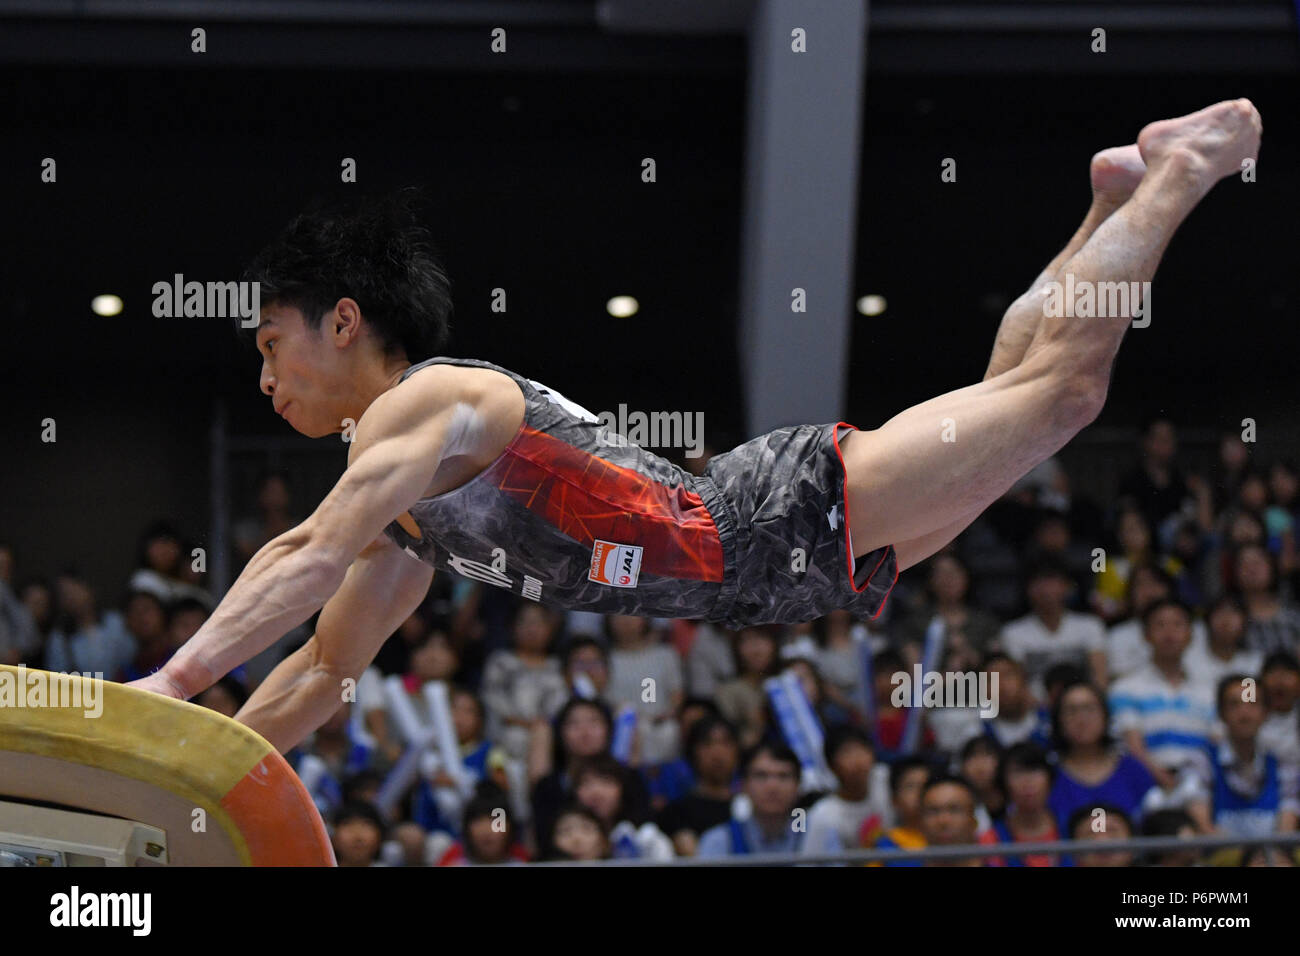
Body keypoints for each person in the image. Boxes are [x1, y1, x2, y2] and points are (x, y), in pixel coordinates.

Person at [133, 102, 1265, 764]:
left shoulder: (425, 402)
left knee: (1064, 400)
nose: (267, 371)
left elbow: (305, 552)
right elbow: (328, 664)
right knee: (1019, 389)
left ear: (344, 321)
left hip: (763, 516)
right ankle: (1109, 197)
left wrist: (171, 685)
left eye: (273, 340)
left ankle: (1180, 167)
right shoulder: (403, 513)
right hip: (783, 580)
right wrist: (206, 769)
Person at [1108, 598, 1216, 787]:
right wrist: (1168, 783)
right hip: (1144, 785)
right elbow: (1133, 748)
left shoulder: (1210, 691)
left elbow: (1216, 744)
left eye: (1177, 625)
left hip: (1201, 785)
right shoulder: (1124, 688)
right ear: (1145, 635)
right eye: (1160, 625)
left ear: (1190, 635)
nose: (1169, 633)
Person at [1183, 672, 1299, 837]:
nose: (1244, 714)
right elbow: (1204, 829)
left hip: (1271, 858)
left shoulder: (1283, 764)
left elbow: (1285, 833)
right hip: (1219, 858)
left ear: (1266, 713)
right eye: (1234, 705)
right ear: (1221, 713)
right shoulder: (1200, 762)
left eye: (1252, 704)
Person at [1048, 680, 1157, 832]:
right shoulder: (1047, 774)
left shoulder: (1133, 770)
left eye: (1089, 709)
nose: (1081, 719)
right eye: (1071, 711)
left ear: (1106, 716)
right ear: (1058, 720)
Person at [656, 714, 741, 856]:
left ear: (737, 751)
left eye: (726, 743)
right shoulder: (676, 812)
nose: (717, 753)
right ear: (693, 752)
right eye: (707, 744)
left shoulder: (753, 808)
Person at [802, 725, 891, 856]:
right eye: (847, 753)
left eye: (862, 750)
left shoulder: (885, 780)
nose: (858, 760)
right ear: (831, 766)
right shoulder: (822, 815)